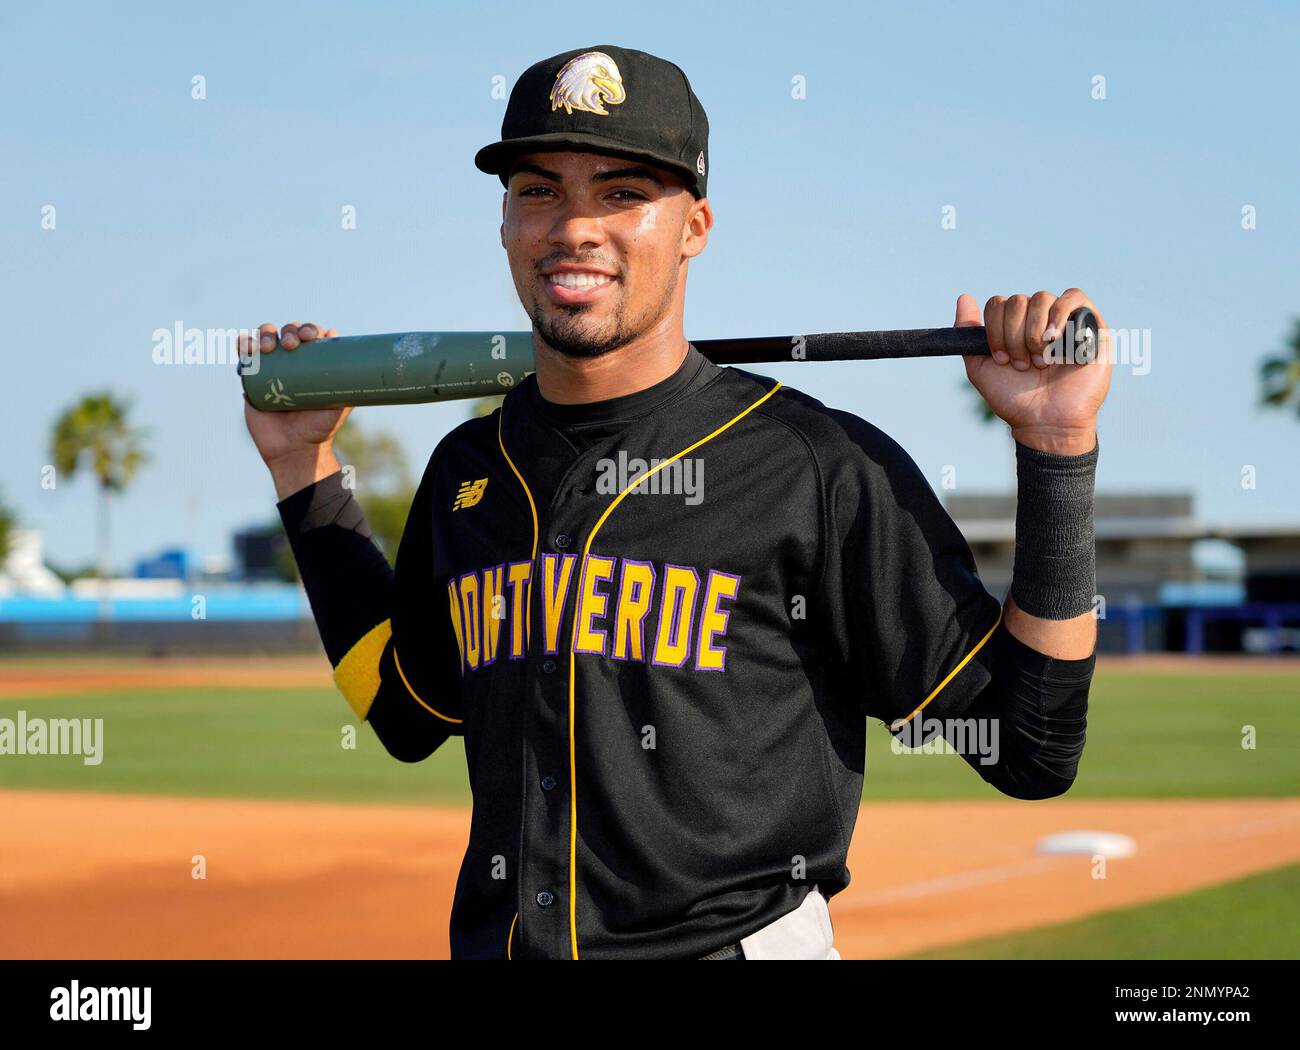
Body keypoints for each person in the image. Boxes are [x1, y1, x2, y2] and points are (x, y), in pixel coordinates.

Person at [240, 44, 1111, 960]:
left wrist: (1056, 453)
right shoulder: (472, 469)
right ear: (505, 224)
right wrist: (304, 472)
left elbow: (1029, 747)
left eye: (621, 195)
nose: (575, 227)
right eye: (540, 190)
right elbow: (404, 709)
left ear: (694, 225)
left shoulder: (810, 464)